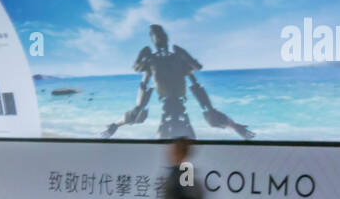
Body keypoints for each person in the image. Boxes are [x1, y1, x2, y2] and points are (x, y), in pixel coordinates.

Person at [102, 24, 254, 140]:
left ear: (166, 37)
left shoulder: (177, 59)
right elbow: (139, 104)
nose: (159, 39)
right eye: (156, 36)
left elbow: (201, 91)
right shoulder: (152, 62)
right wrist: (116, 125)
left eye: (160, 35)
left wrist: (234, 126)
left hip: (179, 113)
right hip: (168, 113)